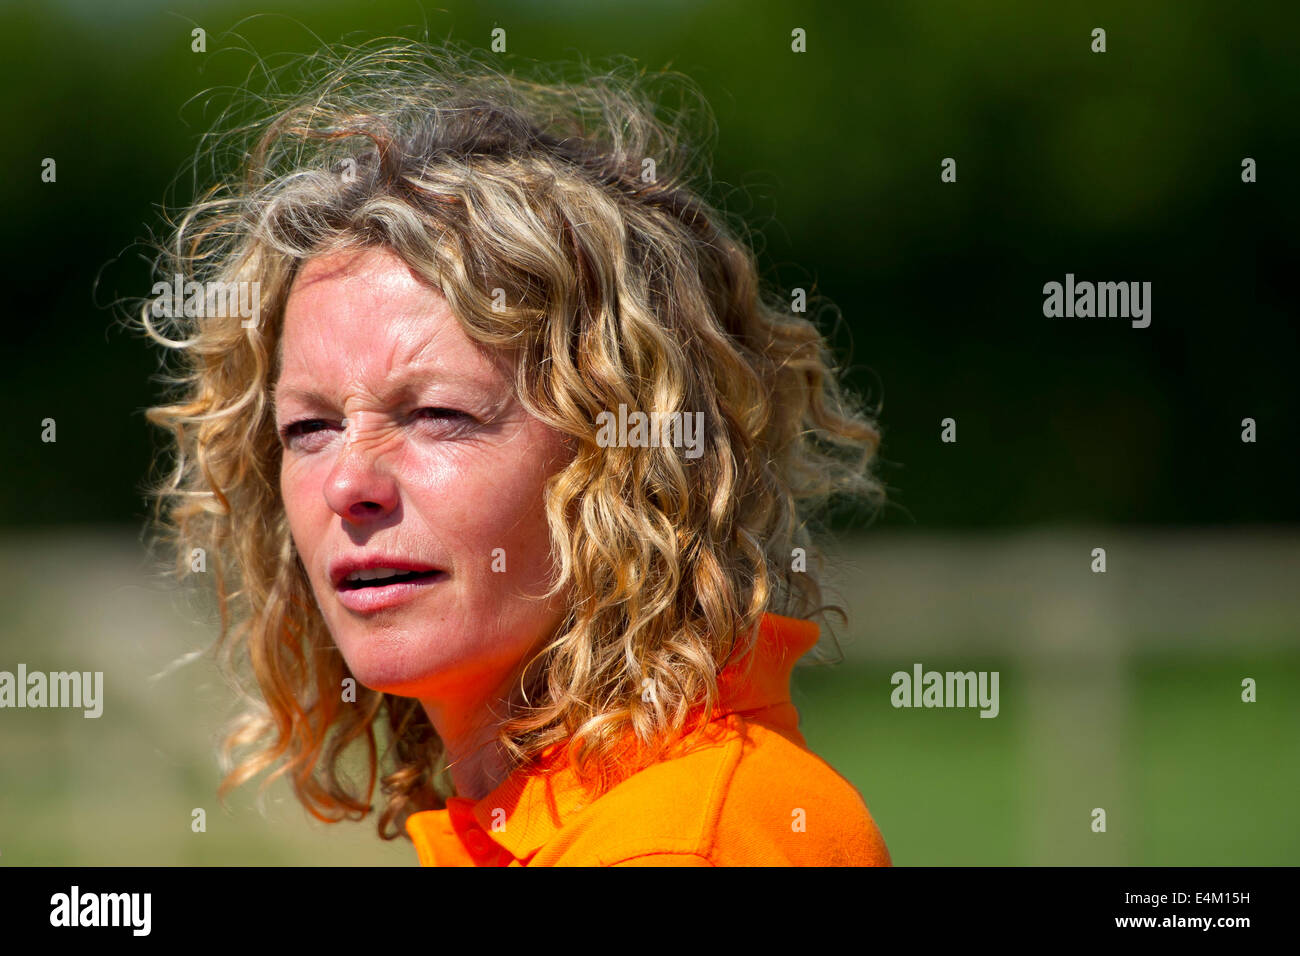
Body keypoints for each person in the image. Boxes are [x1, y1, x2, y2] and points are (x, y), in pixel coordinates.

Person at [140, 38, 891, 866]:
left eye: (435, 413)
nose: (348, 482)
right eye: (308, 428)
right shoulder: (526, 826)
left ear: (626, 460)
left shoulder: (687, 838)